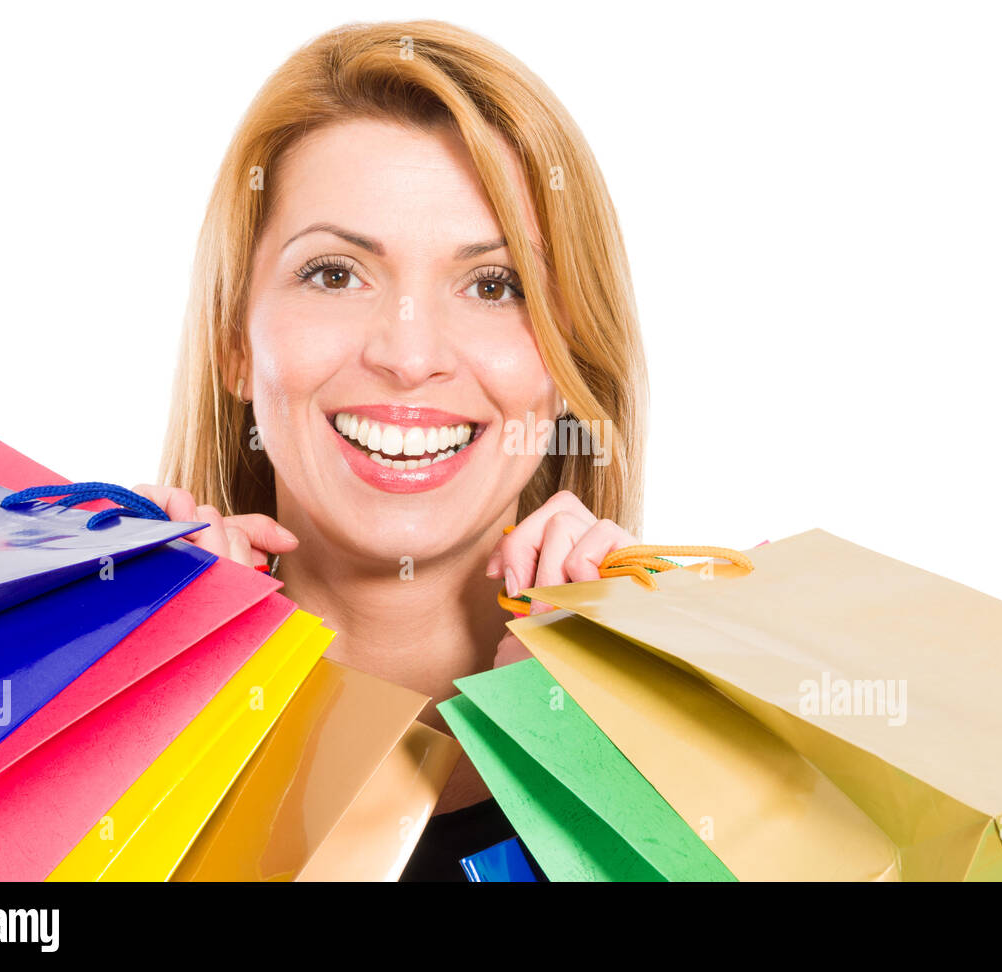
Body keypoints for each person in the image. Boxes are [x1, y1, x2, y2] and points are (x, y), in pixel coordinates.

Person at [134, 19, 647, 879]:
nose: (409, 356)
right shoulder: (75, 721)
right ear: (234, 339)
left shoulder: (736, 744)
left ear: (570, 360)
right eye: (334, 273)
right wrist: (108, 715)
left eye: (495, 285)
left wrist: (607, 770)